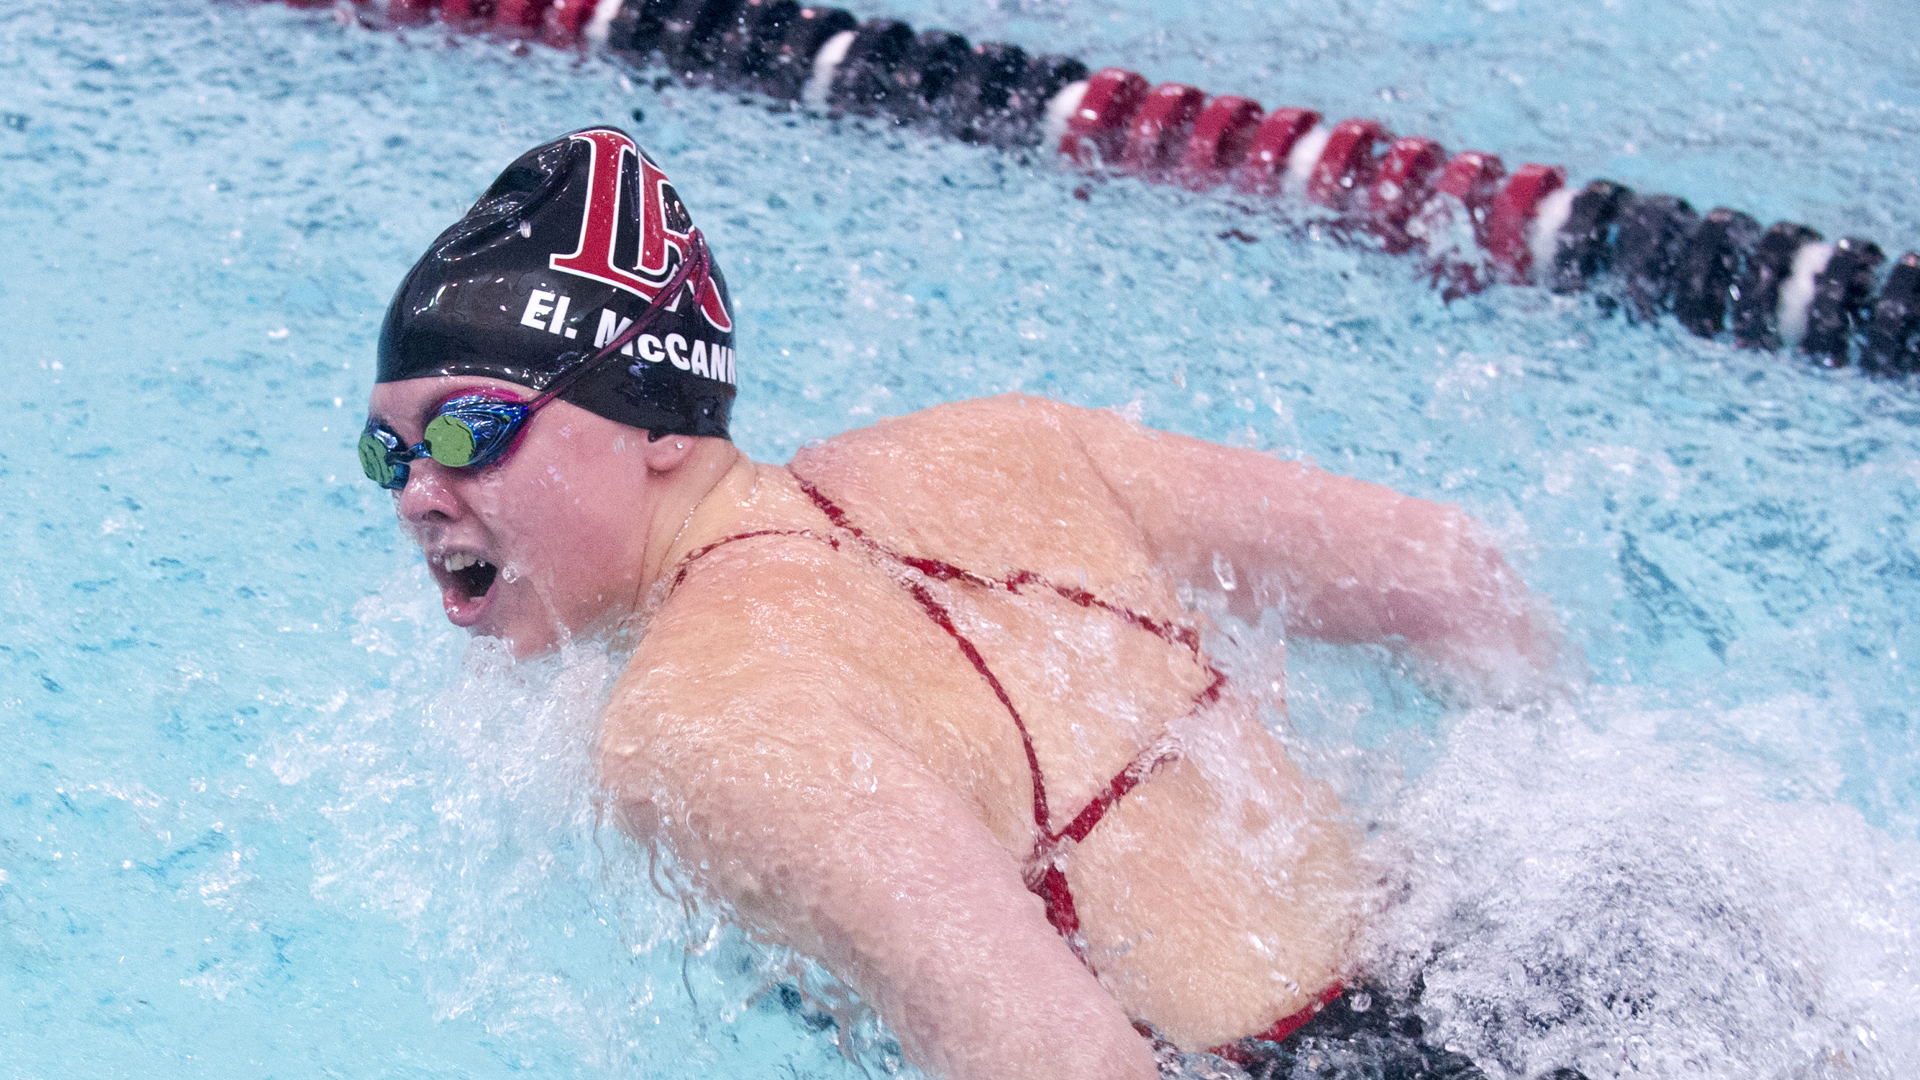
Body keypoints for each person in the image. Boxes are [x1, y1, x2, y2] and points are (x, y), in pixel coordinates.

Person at [362, 127, 1565, 1080]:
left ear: (659, 423)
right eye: (388, 452)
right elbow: (1457, 580)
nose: (417, 494)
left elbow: (1063, 1062)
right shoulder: (1001, 446)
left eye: (473, 429)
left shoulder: (701, 720)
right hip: (1517, 962)